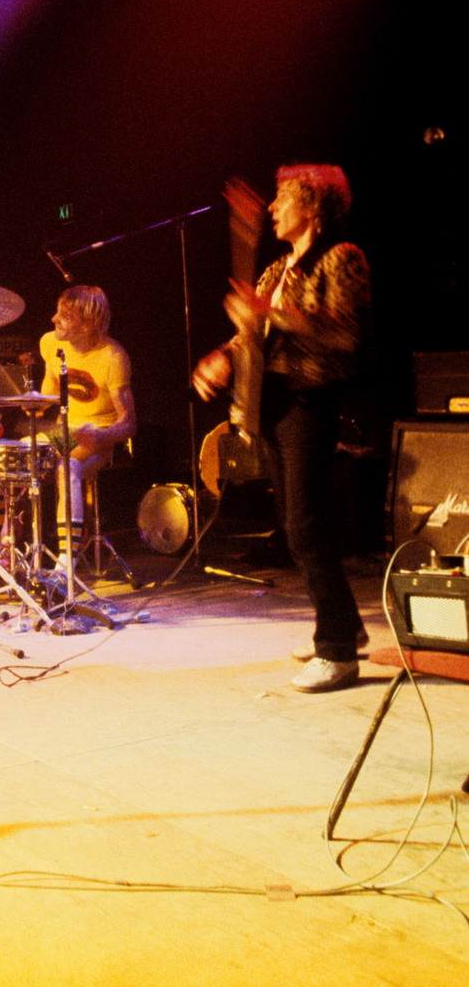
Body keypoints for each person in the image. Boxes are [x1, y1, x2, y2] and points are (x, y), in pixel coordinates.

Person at [193, 164, 370, 693]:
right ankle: (342, 627)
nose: (271, 209)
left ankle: (338, 650)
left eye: (282, 199)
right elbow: (251, 336)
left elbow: (348, 334)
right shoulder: (273, 271)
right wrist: (221, 357)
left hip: (307, 401)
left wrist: (275, 312)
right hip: (270, 404)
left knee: (305, 526)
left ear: (312, 207)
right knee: (295, 526)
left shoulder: (342, 258)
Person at [40, 286, 135, 558]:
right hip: (62, 430)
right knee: (15, 459)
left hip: (99, 434)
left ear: (88, 323)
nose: (53, 319)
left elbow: (129, 424)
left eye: (64, 315)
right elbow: (49, 392)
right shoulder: (50, 343)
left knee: (66, 468)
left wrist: (102, 437)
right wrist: (35, 405)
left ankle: (65, 563)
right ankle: (8, 549)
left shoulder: (113, 357)